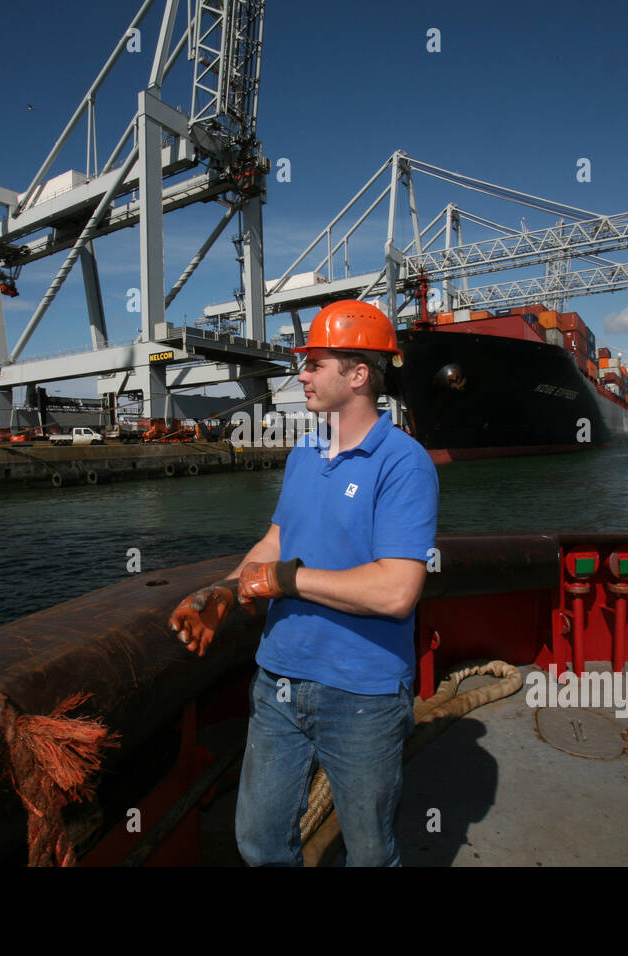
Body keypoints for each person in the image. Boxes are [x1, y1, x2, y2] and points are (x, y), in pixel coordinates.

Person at [167, 299, 439, 866]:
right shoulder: (304, 453)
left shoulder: (404, 463)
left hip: (362, 693)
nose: (302, 375)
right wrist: (225, 589)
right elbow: (273, 544)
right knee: (261, 842)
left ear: (359, 374)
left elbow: (396, 591)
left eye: (315, 363)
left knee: (369, 852)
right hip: (278, 681)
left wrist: (286, 581)